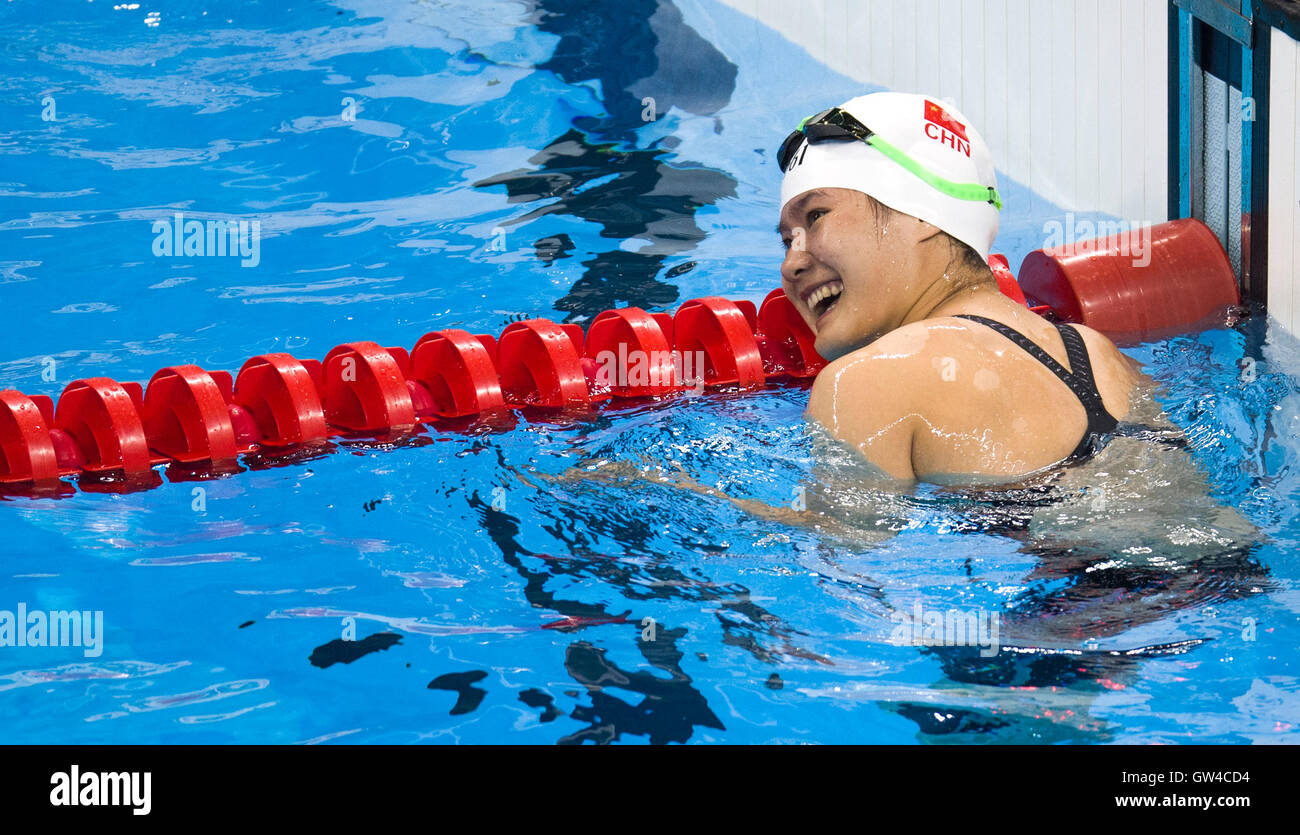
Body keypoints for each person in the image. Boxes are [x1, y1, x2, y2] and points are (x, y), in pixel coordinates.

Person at [776, 92, 1144, 482]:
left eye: (816, 217)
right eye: (786, 241)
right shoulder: (1097, 352)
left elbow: (843, 538)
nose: (791, 263)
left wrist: (703, 494)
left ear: (921, 213)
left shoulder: (865, 381)